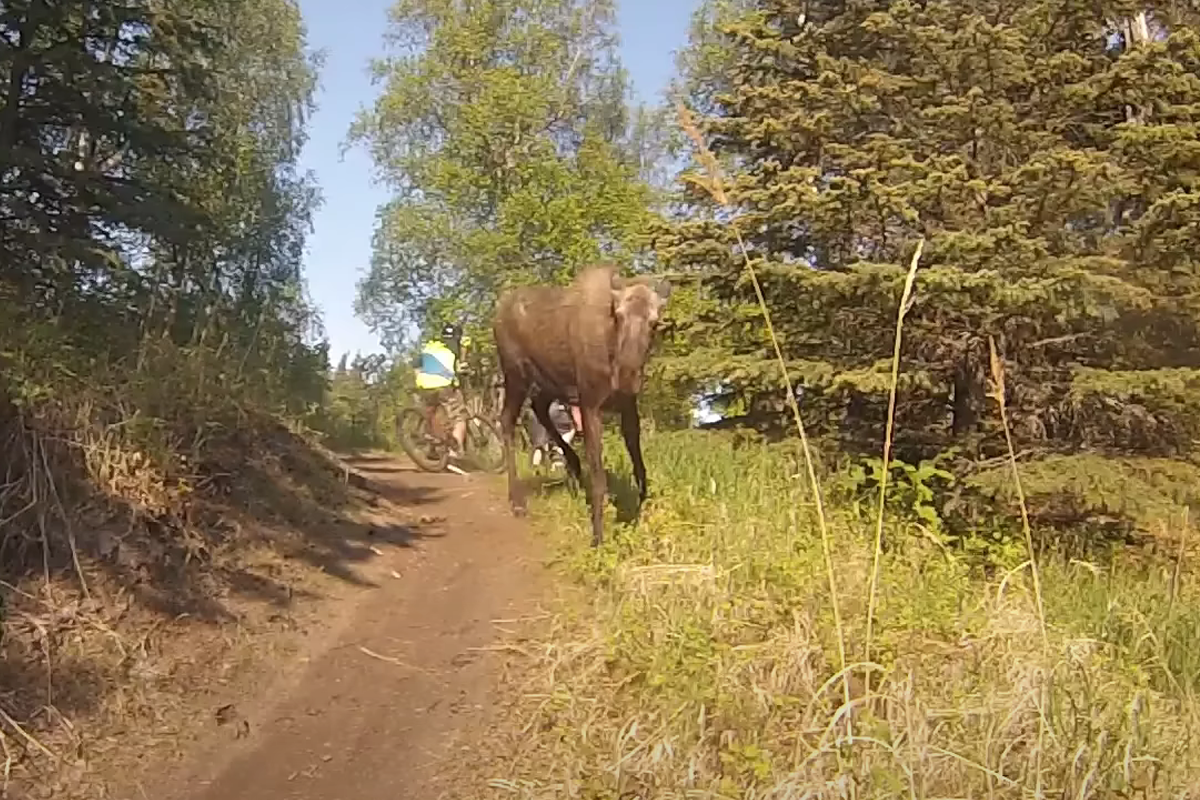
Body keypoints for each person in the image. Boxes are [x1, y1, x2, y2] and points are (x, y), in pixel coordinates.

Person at [413, 323, 471, 459]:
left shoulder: (431, 346)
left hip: (425, 385)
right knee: (459, 417)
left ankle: (431, 449)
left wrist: (420, 381)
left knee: (432, 416)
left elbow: (416, 365)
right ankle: (454, 452)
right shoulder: (455, 346)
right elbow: (461, 367)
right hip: (444, 385)